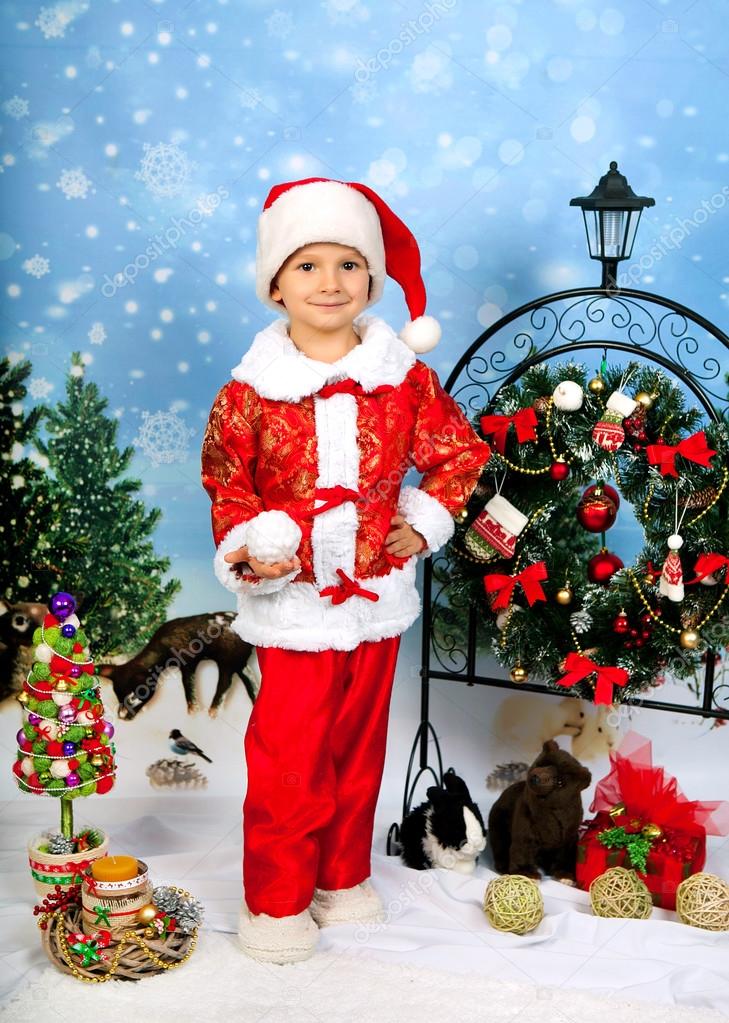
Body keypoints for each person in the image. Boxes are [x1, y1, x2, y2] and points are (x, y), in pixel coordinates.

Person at [200, 177, 491, 964]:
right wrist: (251, 547)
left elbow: (459, 456)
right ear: (273, 284)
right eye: (306, 265)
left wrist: (424, 521)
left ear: (371, 279)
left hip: (376, 602)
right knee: (290, 760)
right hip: (293, 605)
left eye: (347, 265)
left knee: (357, 754)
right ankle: (277, 902)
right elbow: (227, 484)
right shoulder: (248, 394)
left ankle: (340, 879)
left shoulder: (405, 380)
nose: (328, 282)